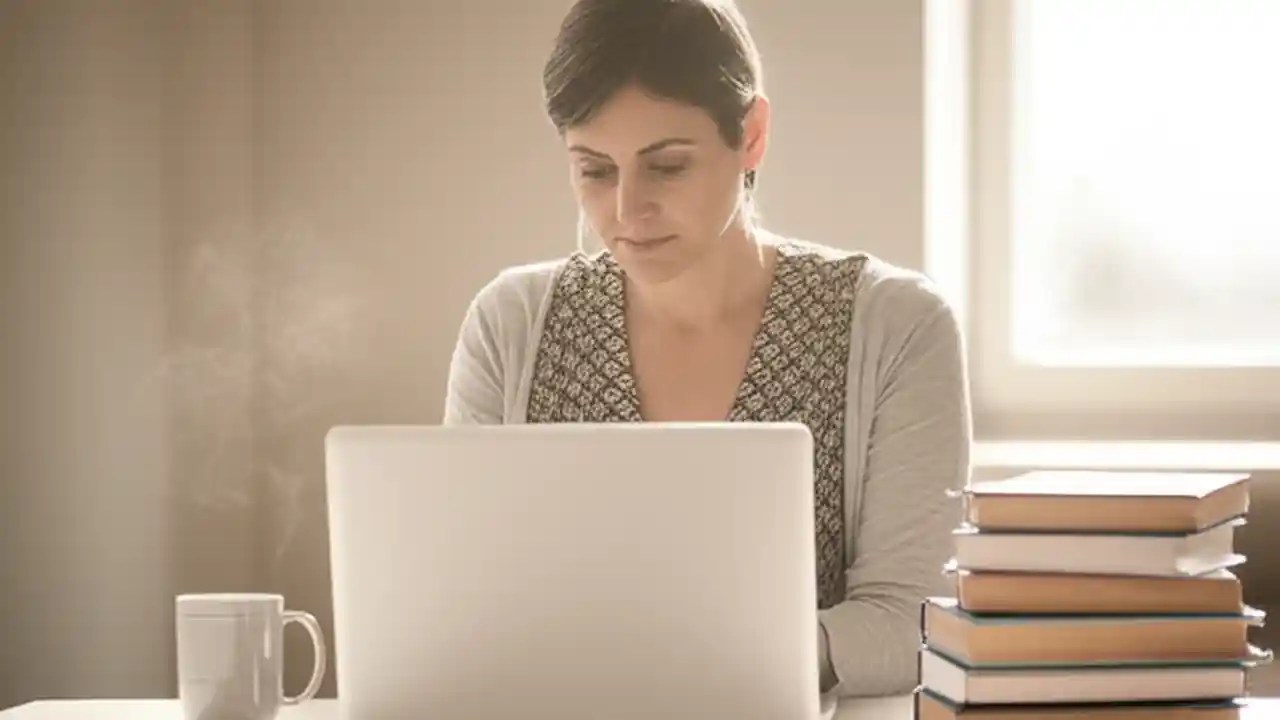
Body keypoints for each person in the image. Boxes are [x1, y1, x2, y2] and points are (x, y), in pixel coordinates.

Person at [443, 0, 971, 699]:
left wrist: (688, 659)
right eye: (595, 171)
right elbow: (460, 605)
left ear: (751, 136)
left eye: (666, 166)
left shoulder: (899, 328)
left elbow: (914, 621)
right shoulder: (509, 326)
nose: (627, 211)